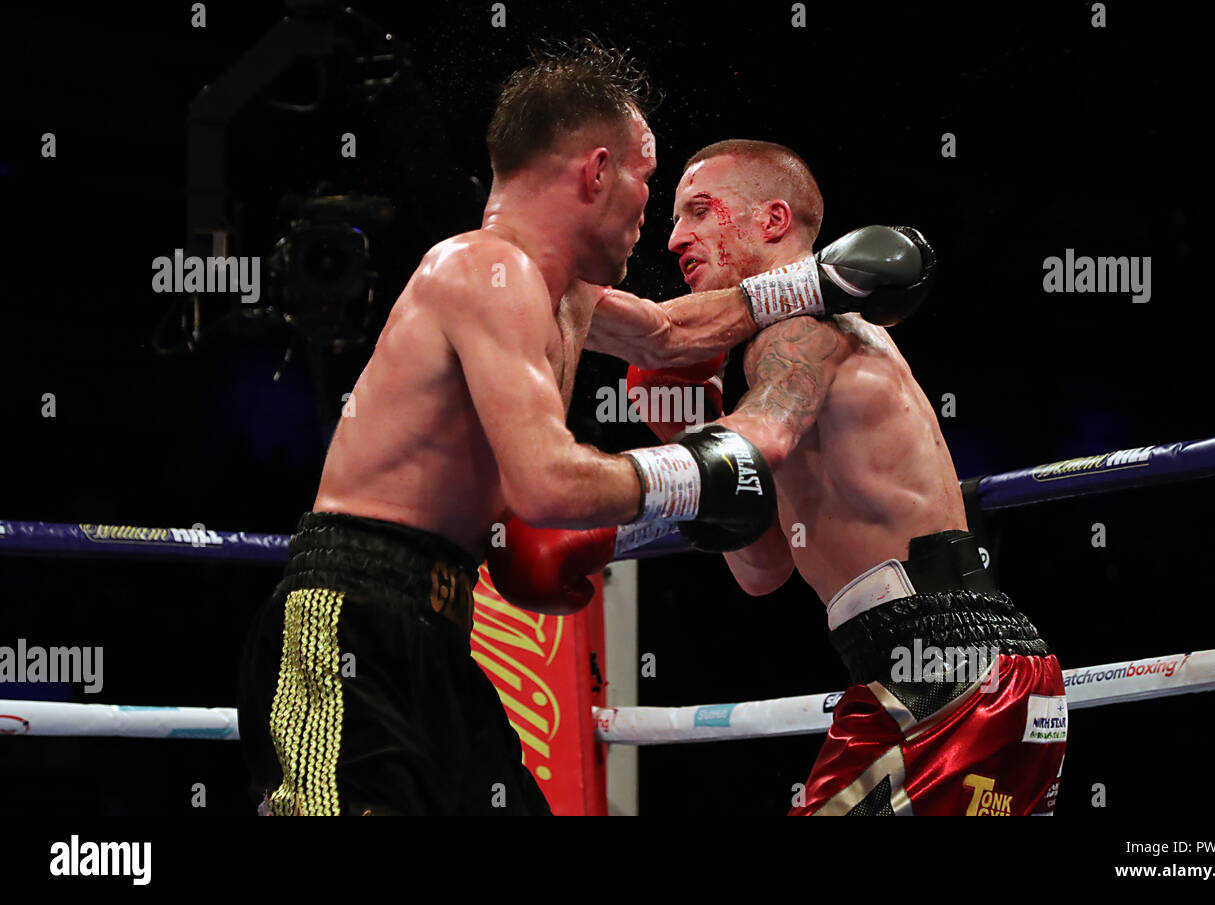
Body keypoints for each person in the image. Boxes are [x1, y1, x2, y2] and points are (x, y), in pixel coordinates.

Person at [237, 43, 898, 816]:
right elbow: (545, 482)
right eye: (646, 180)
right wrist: (702, 471)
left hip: (439, 628)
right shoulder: (478, 270)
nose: (654, 219)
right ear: (597, 173)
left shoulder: (567, 294)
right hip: (347, 618)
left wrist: (818, 280)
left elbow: (672, 333)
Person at [493, 139, 1065, 817]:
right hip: (959, 674)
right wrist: (686, 427)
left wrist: (607, 504)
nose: (675, 239)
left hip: (946, 680)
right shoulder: (789, 335)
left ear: (772, 220)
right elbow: (763, 568)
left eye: (699, 211)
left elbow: (760, 432)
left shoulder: (804, 332)